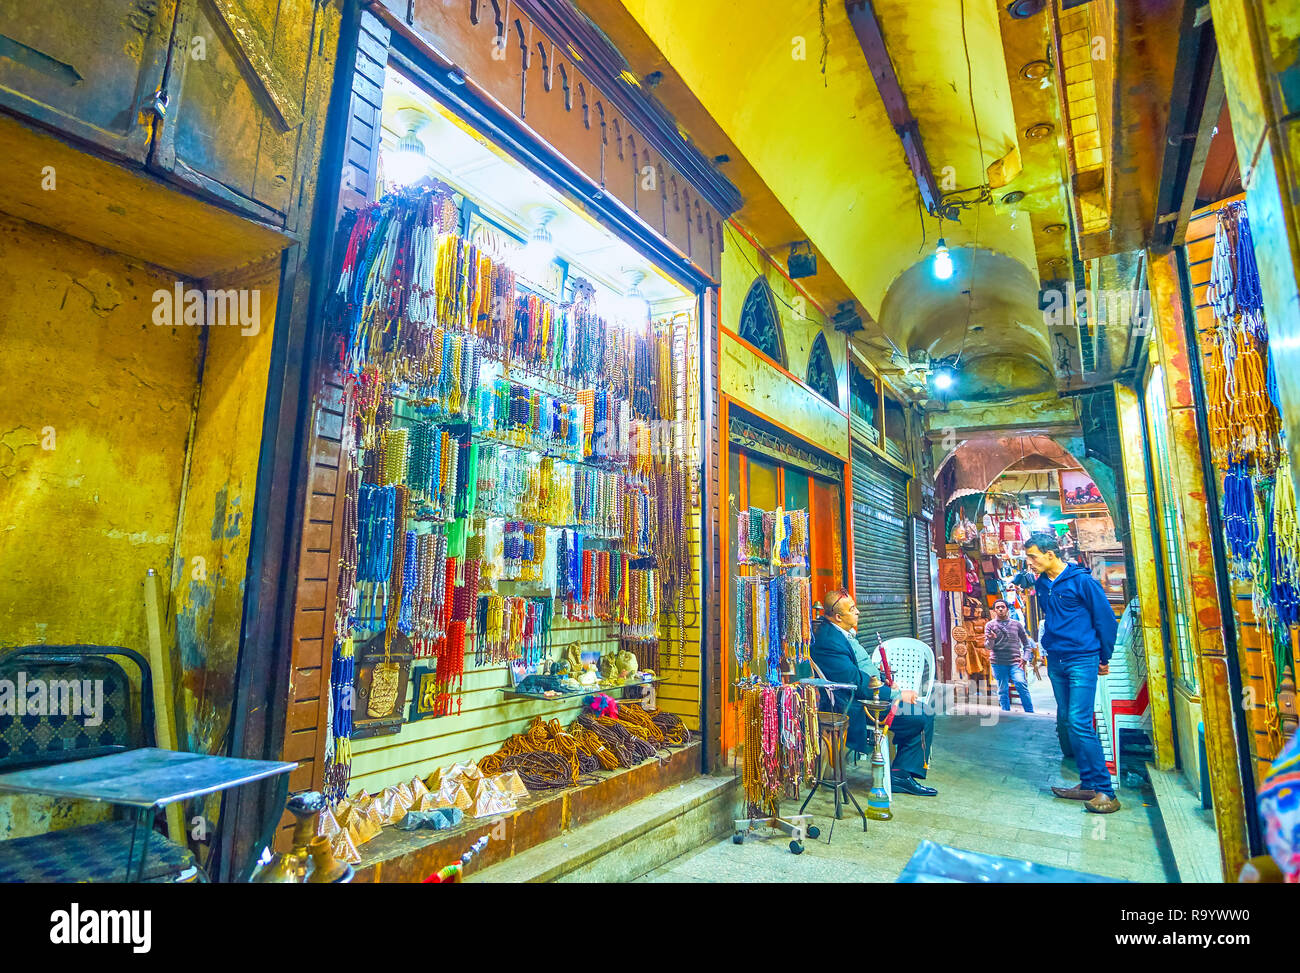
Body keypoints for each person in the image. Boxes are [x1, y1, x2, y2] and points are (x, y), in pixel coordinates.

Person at [1023, 531, 1120, 814]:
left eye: (1033, 556)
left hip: (1082, 658)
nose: (1030, 562)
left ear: (1050, 554)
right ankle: (1088, 783)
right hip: (1057, 660)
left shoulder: (1082, 581)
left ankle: (1106, 791)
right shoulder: (1042, 584)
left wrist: (1104, 656)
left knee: (1079, 720)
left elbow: (1105, 619)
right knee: (1067, 720)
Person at [809, 589, 937, 797]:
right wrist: (895, 695)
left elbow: (861, 670)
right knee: (920, 716)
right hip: (856, 704)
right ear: (838, 617)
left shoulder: (841, 633)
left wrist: (882, 679)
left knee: (921, 711)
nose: (858, 612)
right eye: (852, 609)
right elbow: (855, 681)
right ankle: (901, 775)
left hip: (870, 694)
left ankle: (900, 772)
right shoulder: (829, 641)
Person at [984, 599, 1034, 713]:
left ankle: (1030, 712)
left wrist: (1025, 658)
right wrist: (991, 639)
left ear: (1007, 608)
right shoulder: (990, 625)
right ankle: (1006, 713)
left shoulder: (1017, 624)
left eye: (1002, 607)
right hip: (997, 662)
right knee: (1002, 689)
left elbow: (1026, 644)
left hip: (1015, 662)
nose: (1000, 609)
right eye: (997, 607)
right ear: (994, 610)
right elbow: (988, 647)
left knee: (1021, 683)